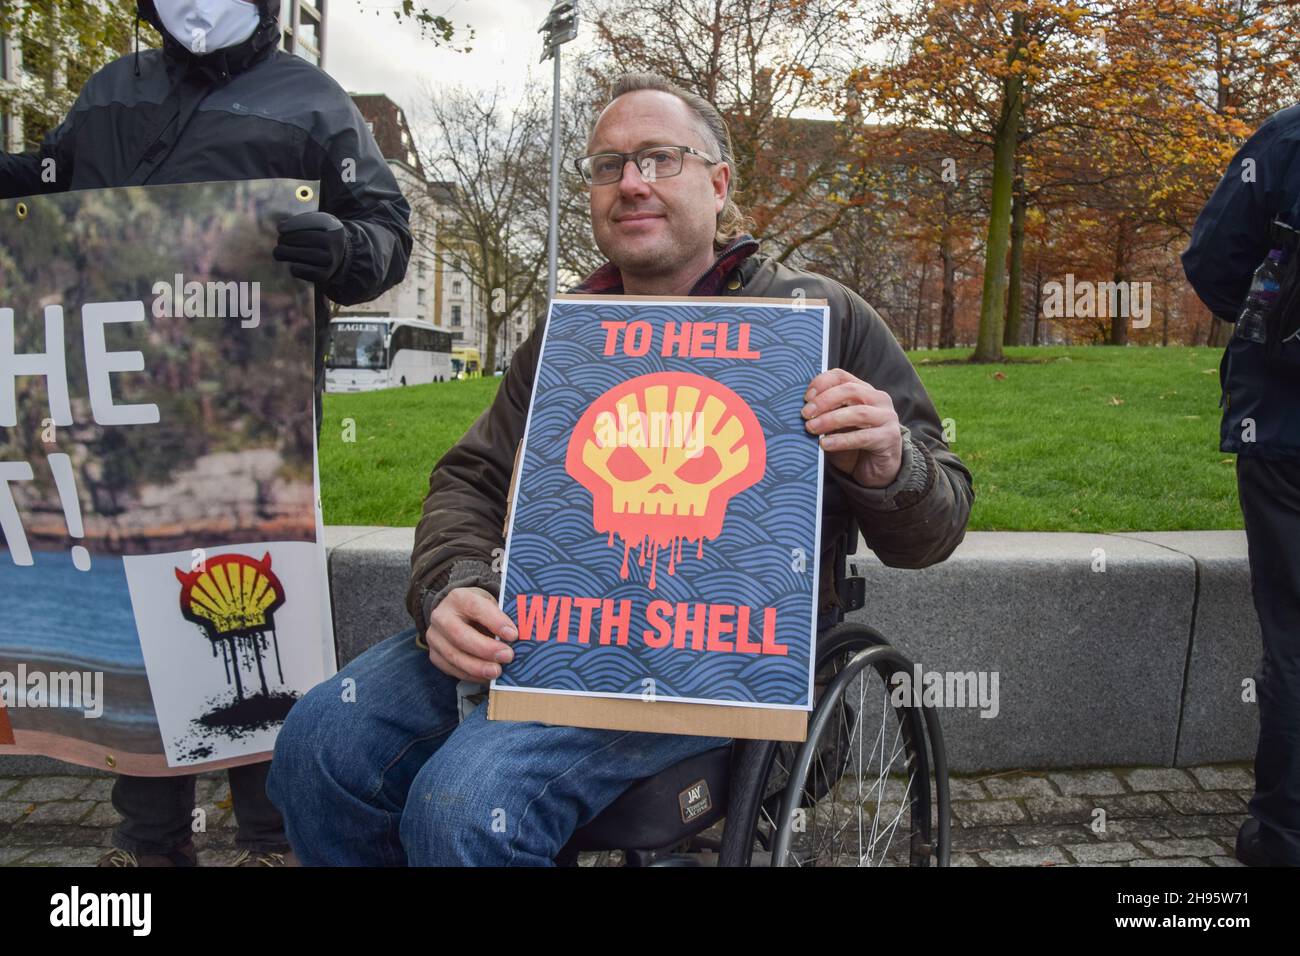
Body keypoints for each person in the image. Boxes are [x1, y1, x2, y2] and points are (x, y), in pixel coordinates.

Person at [267, 71, 972, 866]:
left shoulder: (822, 318)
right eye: (608, 166)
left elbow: (935, 524)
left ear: (719, 181)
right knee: (318, 740)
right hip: (545, 628)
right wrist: (454, 581)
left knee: (462, 806)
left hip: (726, 667)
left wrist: (888, 461)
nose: (631, 182)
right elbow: (471, 477)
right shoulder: (569, 336)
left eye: (659, 158)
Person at [0, 0, 412, 866]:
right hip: (112, 416)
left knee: (265, 628)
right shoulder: (108, 91)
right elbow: (50, 196)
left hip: (247, 430)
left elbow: (387, 231)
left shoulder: (314, 101)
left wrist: (345, 249)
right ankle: (148, 849)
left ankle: (268, 838)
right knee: (138, 632)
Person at [1183, 102, 1300, 867]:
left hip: (1287, 425)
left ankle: (1286, 833)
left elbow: (1213, 260)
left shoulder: (1290, 139)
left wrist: (1270, 313)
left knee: (1293, 632)